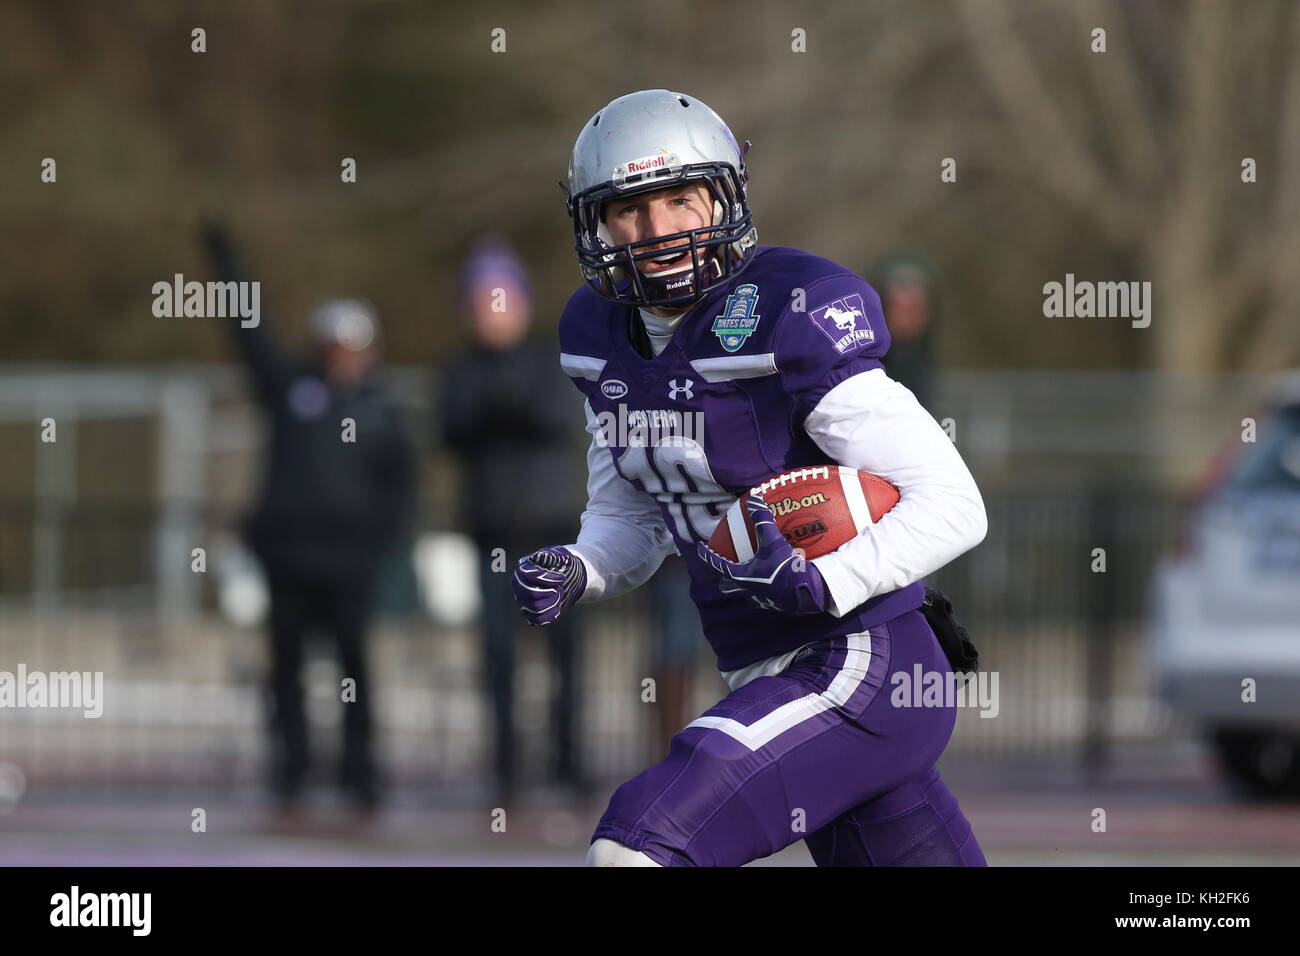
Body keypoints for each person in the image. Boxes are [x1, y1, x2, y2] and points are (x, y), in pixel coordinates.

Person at [511, 90, 989, 866]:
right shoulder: (596, 338)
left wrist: (824, 580)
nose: (657, 229)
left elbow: (955, 504)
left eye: (679, 197)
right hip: (762, 664)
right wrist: (584, 566)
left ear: (724, 197)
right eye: (629, 208)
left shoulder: (788, 309)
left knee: (638, 845)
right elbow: (634, 513)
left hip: (862, 659)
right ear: (593, 222)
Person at [202, 224, 417, 813]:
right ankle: (291, 769)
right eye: (333, 345)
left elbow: (402, 485)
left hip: (350, 563)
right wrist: (226, 262)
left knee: (353, 669)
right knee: (287, 670)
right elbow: (250, 334)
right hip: (290, 557)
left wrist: (383, 543)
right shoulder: (292, 388)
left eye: (353, 346)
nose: (343, 356)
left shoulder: (381, 408)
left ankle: (359, 773)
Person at [440, 238, 588, 803]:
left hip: (552, 533)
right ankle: (506, 769)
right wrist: (493, 407)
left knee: (564, 659)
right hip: (493, 534)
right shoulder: (461, 369)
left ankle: (568, 764)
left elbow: (560, 419)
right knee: (498, 657)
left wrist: (512, 406)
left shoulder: (552, 359)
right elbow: (452, 429)